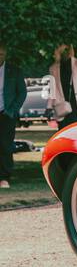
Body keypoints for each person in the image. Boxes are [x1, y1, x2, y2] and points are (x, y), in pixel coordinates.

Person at [47, 44, 77, 130]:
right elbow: (52, 90)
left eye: (67, 49)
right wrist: (49, 107)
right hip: (63, 109)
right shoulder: (53, 68)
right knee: (65, 134)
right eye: (62, 49)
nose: (65, 51)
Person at [0, 43, 26, 189]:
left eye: (1, 55)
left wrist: (12, 110)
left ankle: (4, 177)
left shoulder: (14, 71)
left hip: (6, 114)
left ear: (5, 55)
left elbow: (22, 93)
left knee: (5, 146)